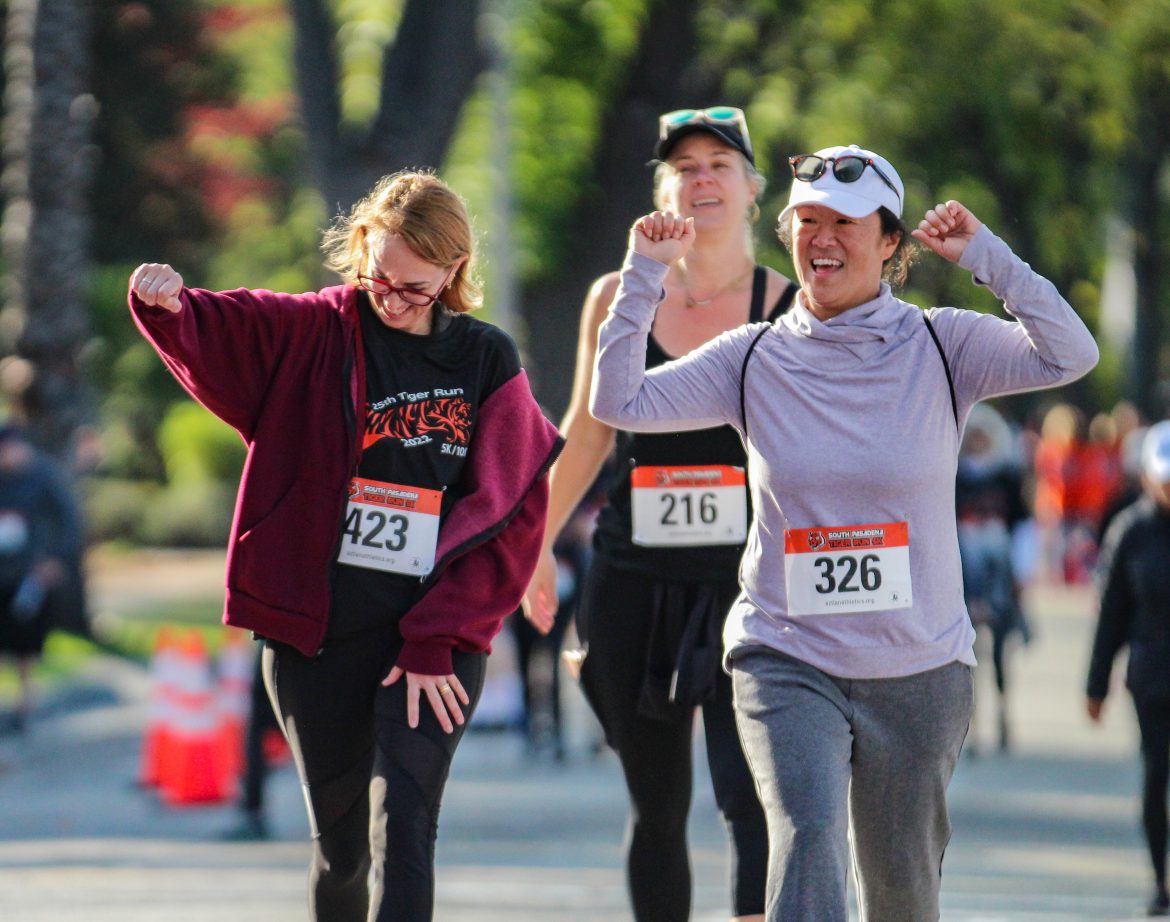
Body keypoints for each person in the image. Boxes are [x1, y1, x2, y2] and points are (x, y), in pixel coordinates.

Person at [590, 143, 1099, 921]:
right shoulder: (751, 355)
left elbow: (1072, 352)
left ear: (890, 240)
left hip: (920, 664)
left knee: (900, 889)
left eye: (846, 222)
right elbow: (619, 402)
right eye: (807, 220)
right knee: (808, 838)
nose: (820, 238)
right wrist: (644, 275)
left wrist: (988, 257)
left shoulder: (943, 344)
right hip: (787, 652)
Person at [128, 170, 562, 922]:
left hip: (434, 640)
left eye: (415, 288)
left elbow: (512, 506)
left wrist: (438, 635)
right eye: (379, 277)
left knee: (407, 837)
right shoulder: (316, 330)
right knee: (342, 853)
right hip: (317, 637)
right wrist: (166, 300)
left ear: (455, 271)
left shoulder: (486, 359)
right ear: (361, 251)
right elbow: (227, 324)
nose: (391, 298)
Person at [522, 107, 795, 922]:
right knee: (658, 804)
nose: (702, 177)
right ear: (662, 189)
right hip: (633, 578)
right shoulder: (617, 295)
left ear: (753, 190)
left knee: (752, 805)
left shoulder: (792, 306)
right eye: (685, 165)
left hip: (747, 586)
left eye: (721, 163)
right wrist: (531, 546)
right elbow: (584, 431)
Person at [1086, 419, 1170, 917]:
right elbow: (1111, 614)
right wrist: (1095, 686)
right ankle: (1161, 878)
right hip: (1153, 679)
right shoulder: (1131, 531)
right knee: (1157, 775)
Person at [955, 403, 1030, 755]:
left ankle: (1003, 713)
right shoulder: (953, 477)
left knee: (1001, 650)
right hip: (964, 573)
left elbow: (1023, 528)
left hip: (999, 570)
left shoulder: (1007, 478)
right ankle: (972, 723)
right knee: (967, 653)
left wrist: (1022, 573)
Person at [0, 424, 82, 734]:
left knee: (24, 641)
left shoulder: (43, 476)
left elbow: (68, 520)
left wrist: (55, 560)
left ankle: (23, 702)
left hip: (29, 574)